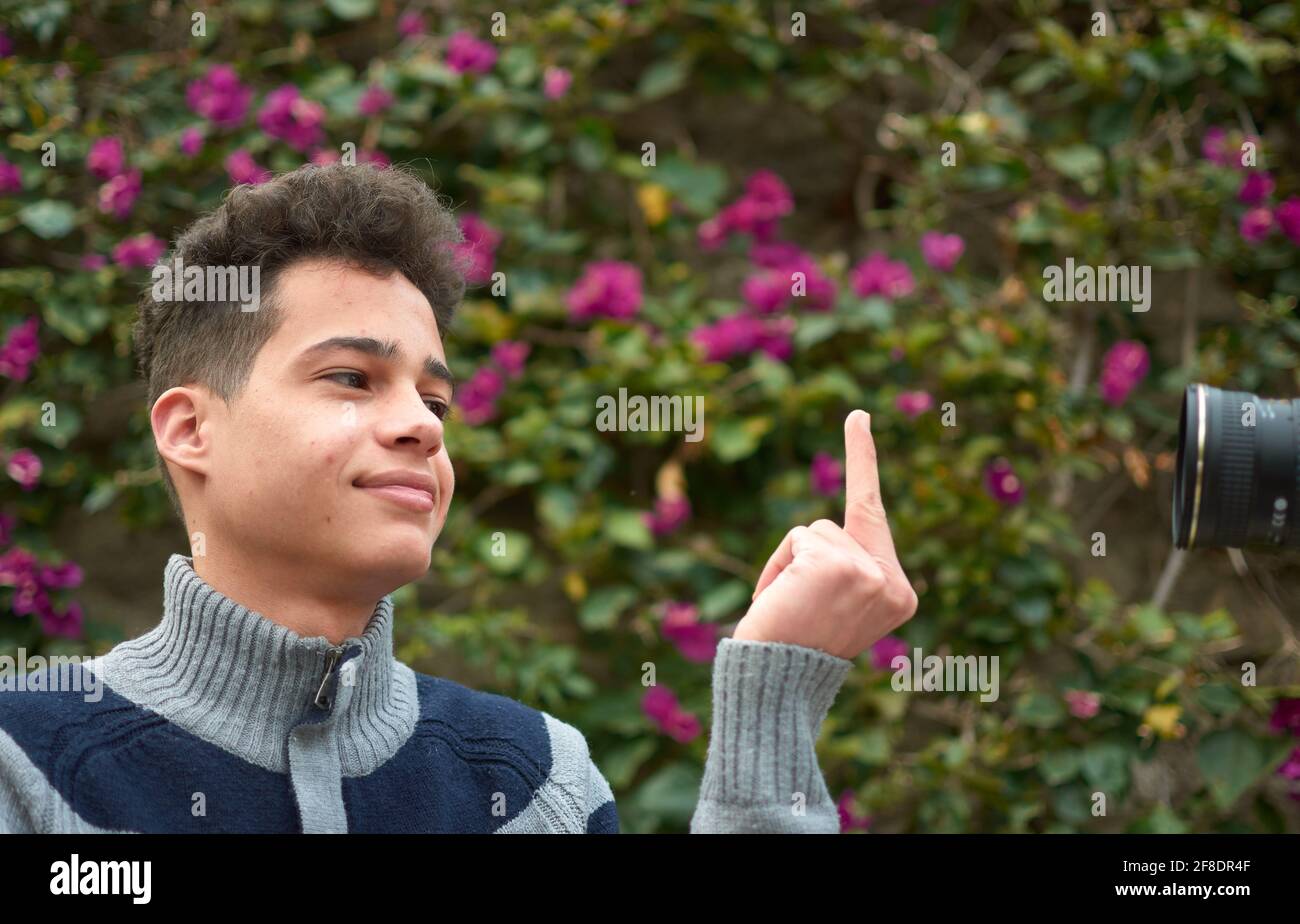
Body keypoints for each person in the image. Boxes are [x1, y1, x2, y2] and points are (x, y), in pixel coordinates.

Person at [0, 163, 917, 833]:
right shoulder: (27, 764)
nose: (424, 427)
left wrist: (776, 689)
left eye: (435, 400)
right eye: (353, 378)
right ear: (190, 430)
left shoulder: (534, 782)